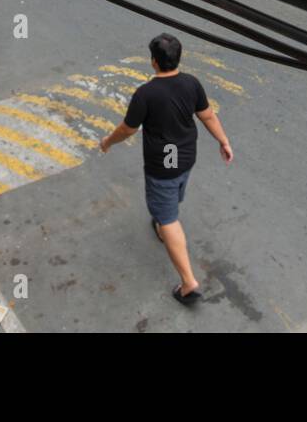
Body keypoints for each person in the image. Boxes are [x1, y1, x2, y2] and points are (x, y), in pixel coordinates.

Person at [100, 33, 233, 305]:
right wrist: (224, 141)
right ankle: (165, 218)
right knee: (175, 190)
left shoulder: (146, 94)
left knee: (168, 216)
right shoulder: (191, 84)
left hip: (164, 164)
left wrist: (107, 142)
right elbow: (207, 115)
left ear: (153, 62)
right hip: (186, 156)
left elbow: (128, 128)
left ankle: (188, 282)